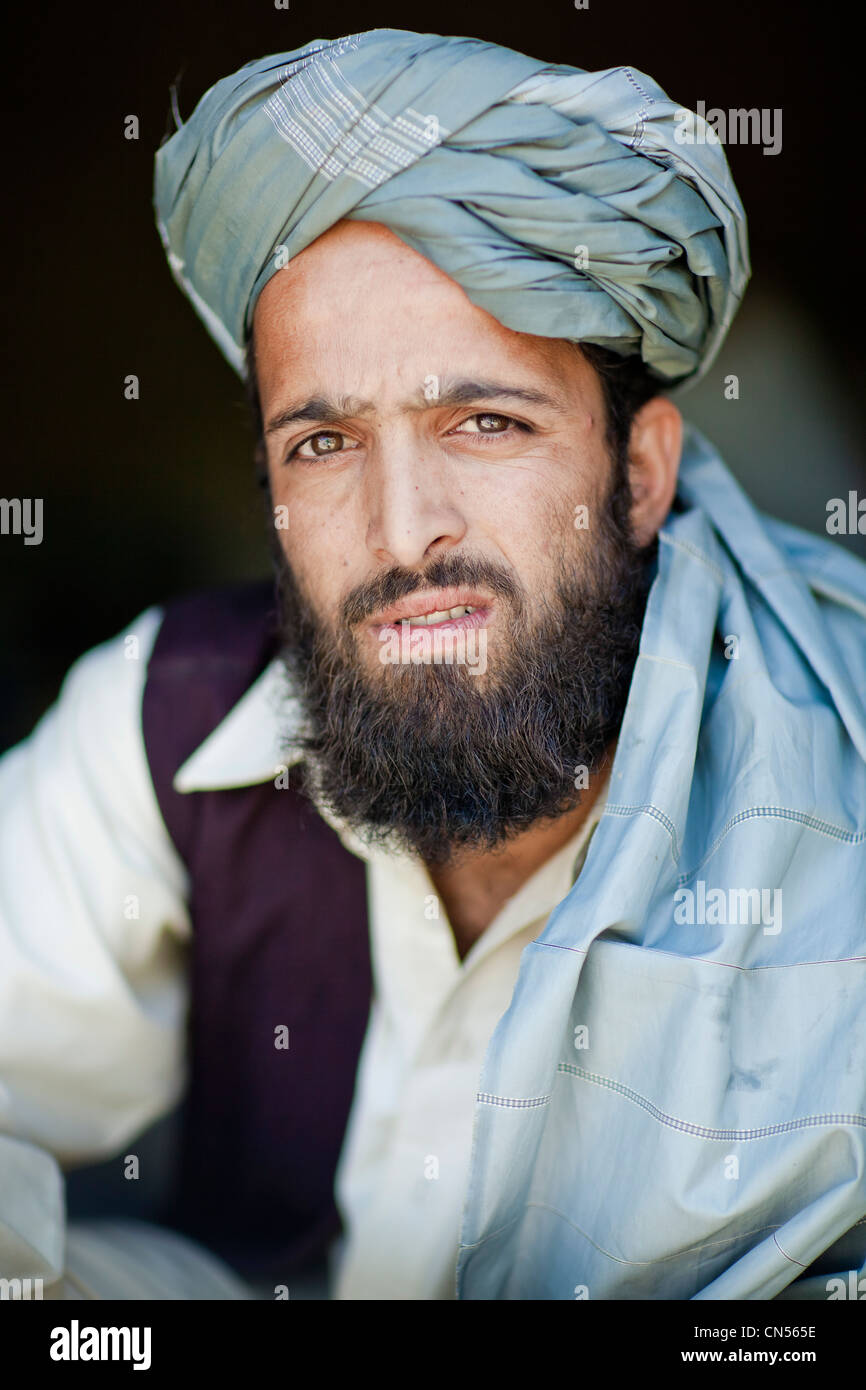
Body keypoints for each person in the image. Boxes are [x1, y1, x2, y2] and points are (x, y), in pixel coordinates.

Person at [1, 28, 864, 1302]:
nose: (403, 532)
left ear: (638, 477)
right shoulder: (163, 722)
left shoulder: (831, 805)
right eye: (323, 443)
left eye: (485, 421)